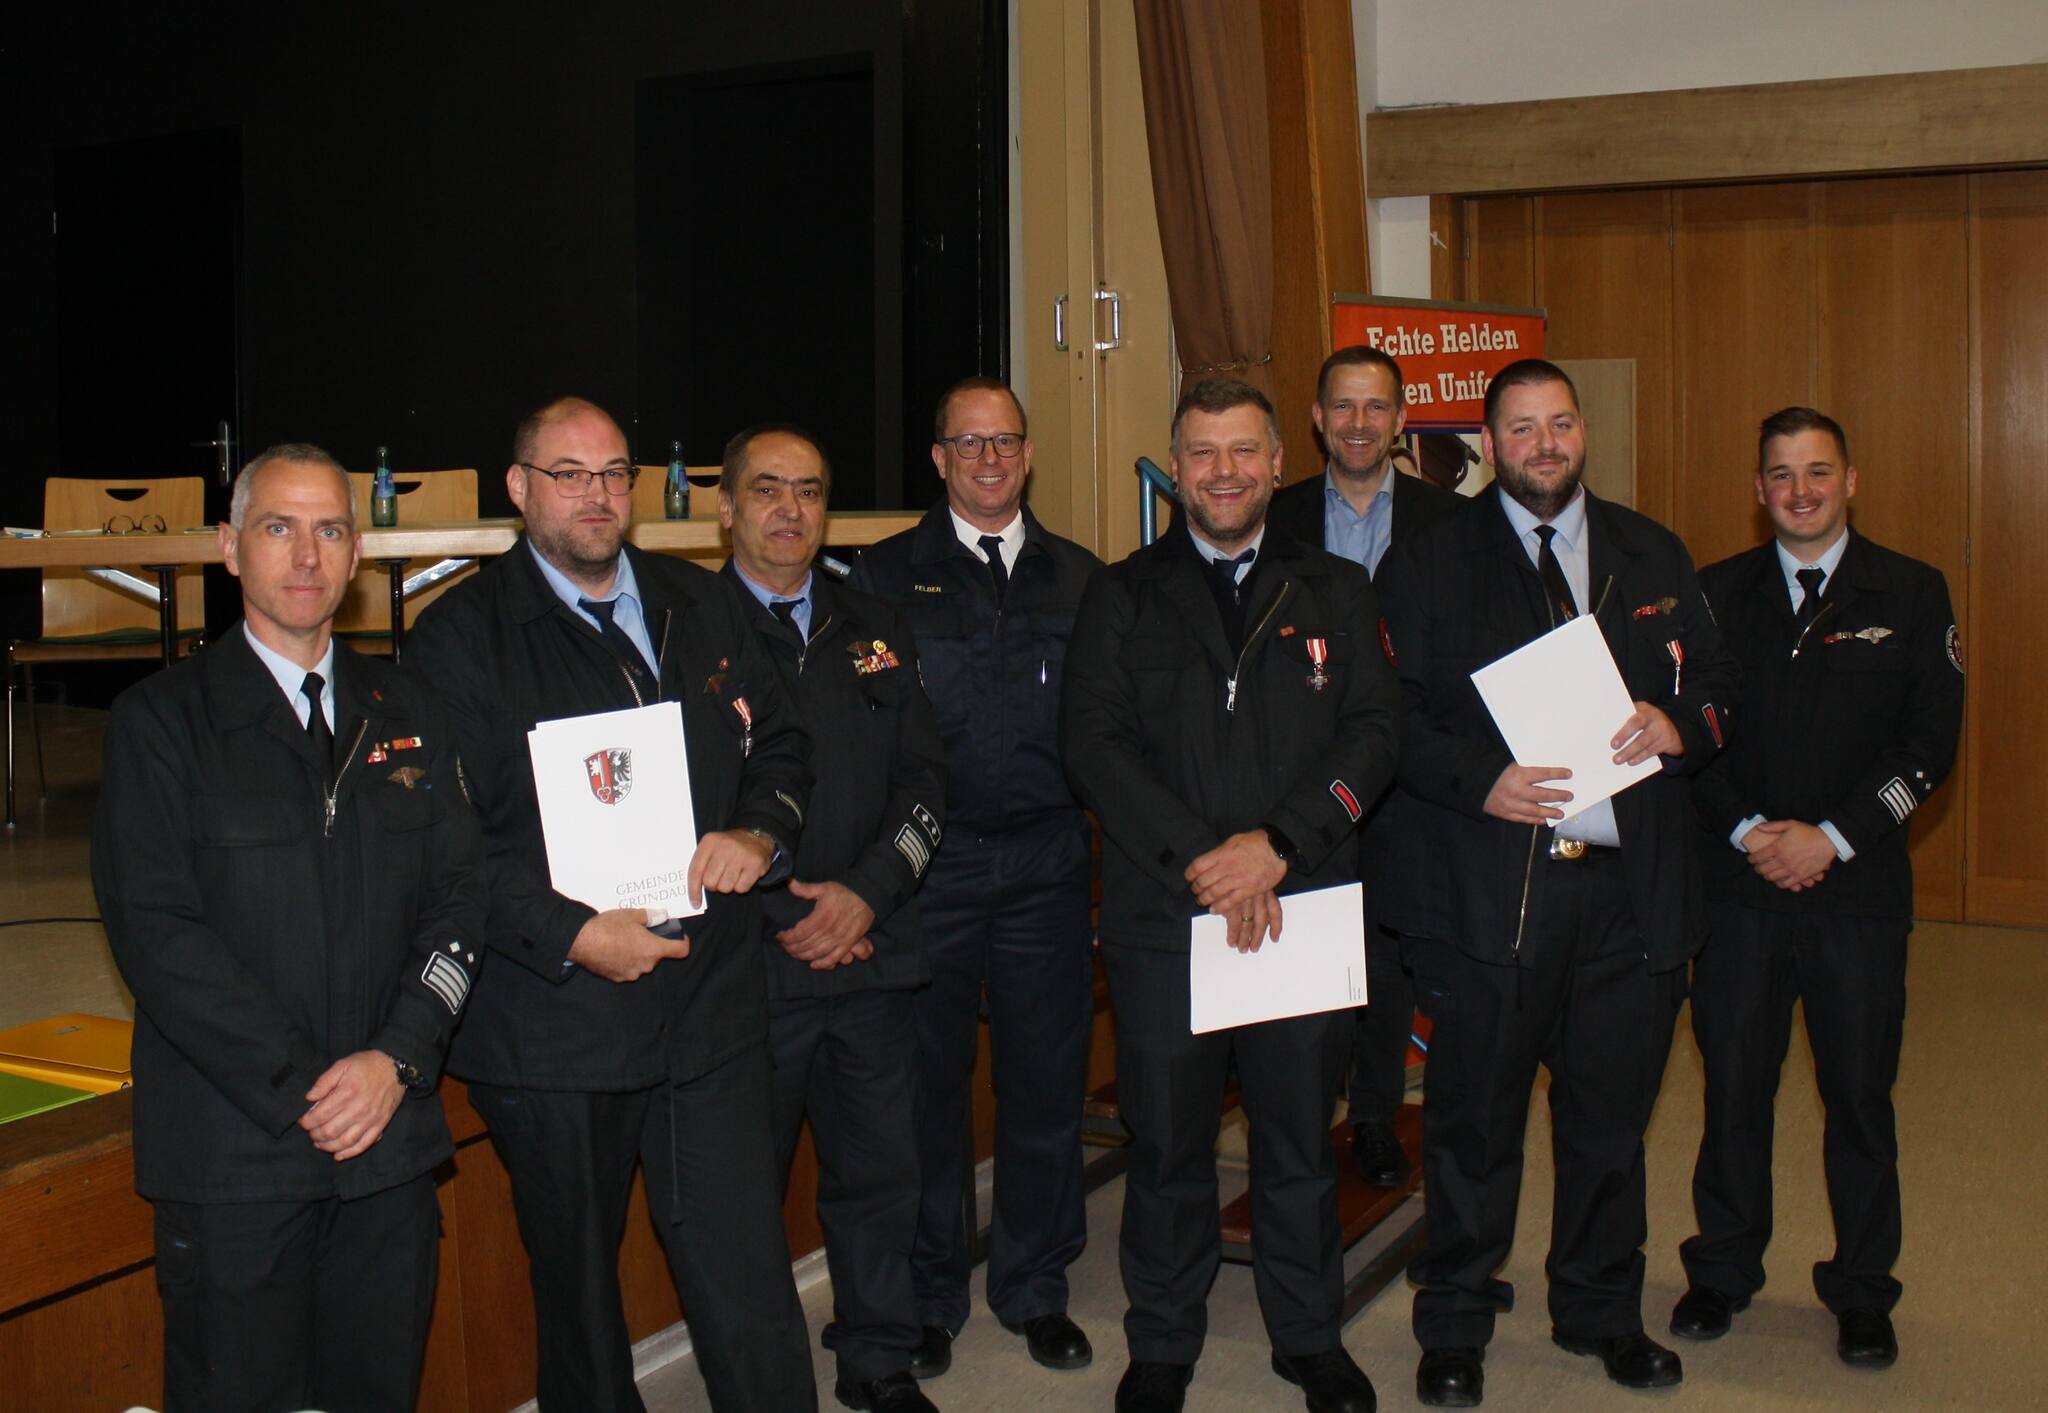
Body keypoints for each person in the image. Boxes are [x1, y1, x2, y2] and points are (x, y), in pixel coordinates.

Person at [407, 397, 816, 1412]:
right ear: (517, 487)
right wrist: (574, 934)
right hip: (555, 1029)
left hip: (707, 1010)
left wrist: (758, 831)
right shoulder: (457, 640)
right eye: (566, 473)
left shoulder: (699, 602)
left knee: (747, 1279)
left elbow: (789, 740)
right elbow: (448, 845)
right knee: (582, 1308)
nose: (595, 495)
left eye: (613, 473)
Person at [1375, 359, 1740, 1407]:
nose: (1543, 445)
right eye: (1520, 429)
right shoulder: (1429, 556)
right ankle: (1453, 1320)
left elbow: (1721, 689)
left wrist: (1682, 726)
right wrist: (1476, 779)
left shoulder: (1650, 550)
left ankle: (1597, 1311)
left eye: (1559, 424)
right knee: (1471, 1125)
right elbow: (1388, 717)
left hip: (1626, 898)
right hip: (1489, 891)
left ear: (1582, 433)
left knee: (1606, 1125)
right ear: (1488, 446)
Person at [91, 444, 486, 1412]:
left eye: (329, 530)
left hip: (385, 1145)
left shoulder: (413, 710)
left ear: (357, 556)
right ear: (230, 548)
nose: (305, 556)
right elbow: (158, 935)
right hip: (235, 1152)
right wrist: (306, 1087)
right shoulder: (160, 723)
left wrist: (394, 1061)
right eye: (278, 527)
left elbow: (461, 897)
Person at [1063, 377, 1397, 1413]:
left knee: (1298, 1141)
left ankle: (1307, 1339)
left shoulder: (1336, 588)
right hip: (1169, 917)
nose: (1222, 472)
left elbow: (1373, 736)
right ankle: (1161, 1341)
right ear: (1175, 466)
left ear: (1275, 462)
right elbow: (1093, 746)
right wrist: (1207, 860)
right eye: (1201, 453)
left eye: (1242, 451)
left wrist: (1277, 848)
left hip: (1299, 906)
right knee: (1166, 1146)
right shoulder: (1119, 593)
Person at [1671, 407, 1962, 1369]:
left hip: (1856, 892)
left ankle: (1863, 1289)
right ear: (1758, 490)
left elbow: (1929, 749)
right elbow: (1688, 743)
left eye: (1818, 472)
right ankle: (1721, 1268)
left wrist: (1831, 837)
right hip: (1741, 888)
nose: (1800, 491)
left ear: (1851, 480)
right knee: (1736, 1090)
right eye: (1781, 475)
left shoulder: (1913, 593)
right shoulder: (1712, 595)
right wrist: (1754, 831)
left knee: (1860, 1096)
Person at [850, 377, 1102, 1381]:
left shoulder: (1080, 578)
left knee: (1045, 1088)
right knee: (928, 1096)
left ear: (1027, 454)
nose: (989, 459)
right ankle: (927, 1296)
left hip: (1046, 866)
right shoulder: (877, 578)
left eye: (1004, 442)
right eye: (968, 442)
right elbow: (866, 735)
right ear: (938, 459)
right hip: (930, 870)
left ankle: (1035, 1286)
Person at [716, 424, 948, 1413]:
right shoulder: (687, 632)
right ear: (724, 506)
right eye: (765, 490)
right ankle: (759, 1383)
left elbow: (926, 783)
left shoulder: (874, 626)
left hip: (868, 953)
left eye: (808, 491)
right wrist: (782, 914)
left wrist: (866, 894)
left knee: (878, 1177)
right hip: (745, 970)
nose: (788, 511)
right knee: (737, 1199)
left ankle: (878, 1361)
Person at [1269, 344, 1464, 1188]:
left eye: (1375, 407)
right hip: (1296, 779)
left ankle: (1377, 1116)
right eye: (1341, 406)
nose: (1358, 423)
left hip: (1410, 786)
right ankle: (1296, 1126)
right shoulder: (1266, 515)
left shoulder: (1453, 523)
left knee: (1384, 964)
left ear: (1400, 419)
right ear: (1316, 419)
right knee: (1300, 963)